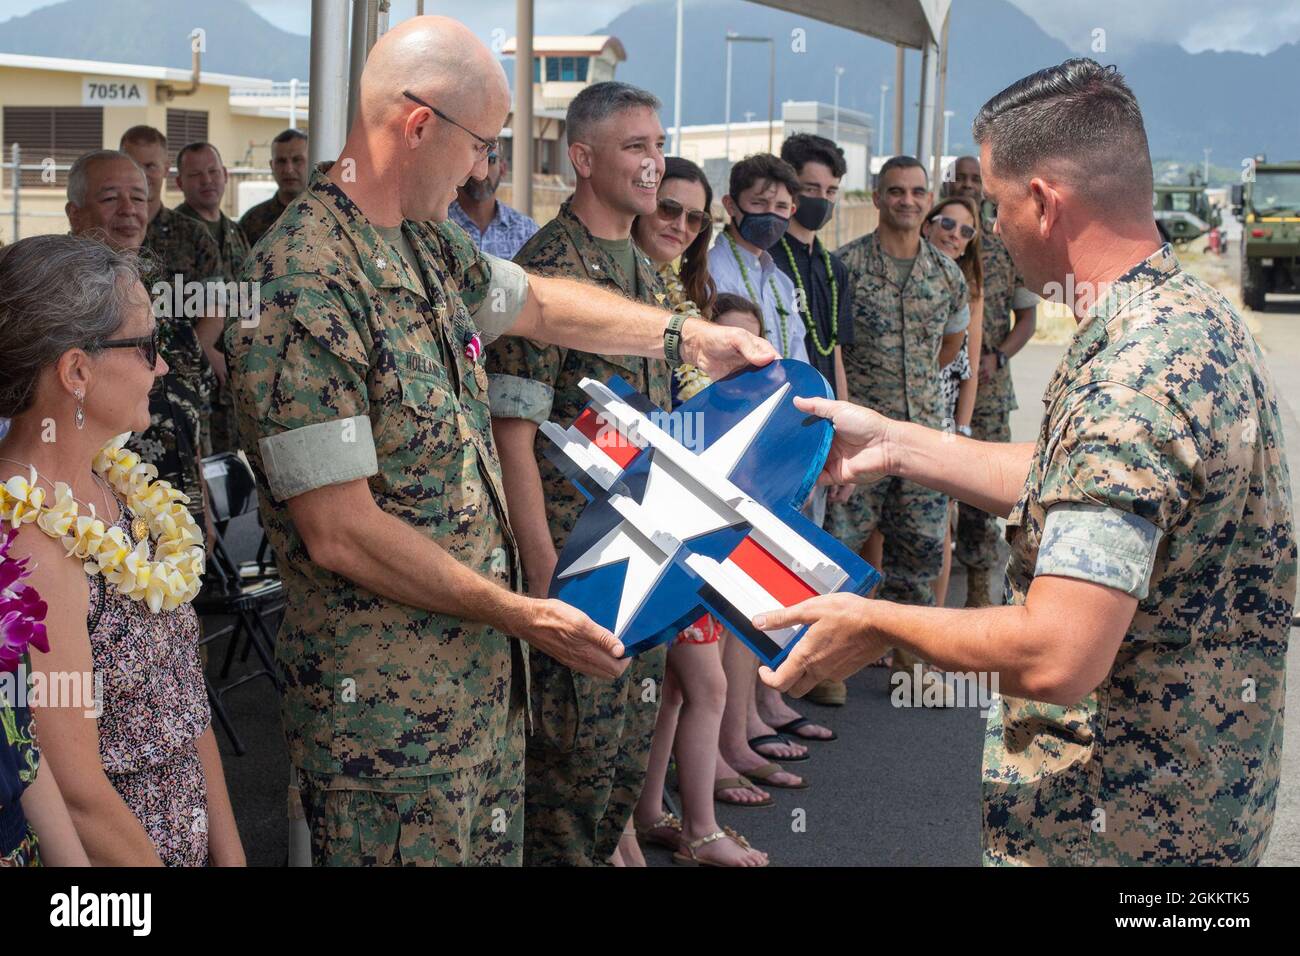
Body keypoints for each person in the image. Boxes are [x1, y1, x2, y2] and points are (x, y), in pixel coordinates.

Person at [225, 17, 774, 868]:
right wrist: (524, 612)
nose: (485, 168)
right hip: (388, 729)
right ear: (418, 127)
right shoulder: (304, 279)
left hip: (479, 691)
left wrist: (688, 337)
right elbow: (339, 529)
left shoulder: (422, 240)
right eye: (482, 144)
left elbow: (542, 305)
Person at [757, 59, 1295, 866]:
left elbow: (1057, 655)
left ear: (1043, 204)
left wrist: (874, 623)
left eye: (997, 205)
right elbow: (1079, 483)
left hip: (1121, 826)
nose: (991, 227)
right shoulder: (1180, 315)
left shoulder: (1134, 374)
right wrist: (897, 444)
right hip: (1193, 804)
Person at [0, 234, 245, 866]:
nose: (162, 367)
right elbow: (76, 793)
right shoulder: (30, 543)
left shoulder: (120, 489)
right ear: (76, 370)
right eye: (147, 346)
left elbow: (186, 705)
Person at [487, 81, 674, 868]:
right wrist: (541, 571)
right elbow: (512, 432)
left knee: (620, 767)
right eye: (636, 147)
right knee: (568, 783)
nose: (654, 164)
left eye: (658, 145)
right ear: (583, 159)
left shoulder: (641, 265)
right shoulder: (548, 272)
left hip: (645, 554)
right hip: (577, 563)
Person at [625, 160, 767, 866]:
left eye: (693, 217)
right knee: (693, 684)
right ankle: (699, 833)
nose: (679, 225)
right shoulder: (620, 290)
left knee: (681, 690)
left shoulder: (688, 295)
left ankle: (655, 812)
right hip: (642, 522)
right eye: (669, 209)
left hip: (691, 517)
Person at [829, 155, 968, 686]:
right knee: (840, 552)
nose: (906, 201)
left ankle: (910, 666)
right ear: (877, 197)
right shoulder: (846, 268)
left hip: (924, 441)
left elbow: (949, 347)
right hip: (860, 440)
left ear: (929, 200)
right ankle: (831, 667)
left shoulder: (946, 273)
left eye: (916, 192)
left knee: (921, 554)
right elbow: (834, 350)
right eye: (895, 191)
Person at [66, 149, 212, 544]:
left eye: (140, 197)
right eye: (111, 197)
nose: (129, 210)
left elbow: (191, 407)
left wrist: (201, 504)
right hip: (94, 525)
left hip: (176, 517)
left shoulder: (159, 297)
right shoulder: (58, 304)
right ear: (74, 213)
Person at [773, 132, 856, 710]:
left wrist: (844, 427)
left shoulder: (832, 266)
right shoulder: (767, 257)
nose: (819, 201)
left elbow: (836, 352)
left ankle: (807, 661)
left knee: (813, 541)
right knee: (771, 547)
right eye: (809, 189)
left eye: (830, 191)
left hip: (822, 420)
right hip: (778, 424)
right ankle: (771, 669)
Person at [945, 155, 1040, 607]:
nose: (965, 185)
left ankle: (981, 585)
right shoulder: (935, 239)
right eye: (957, 178)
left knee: (984, 486)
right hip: (935, 386)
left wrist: (998, 357)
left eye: (971, 179)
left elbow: (1027, 319)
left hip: (987, 388)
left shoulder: (1002, 246)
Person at [920, 196, 983, 608]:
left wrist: (961, 431)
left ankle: (932, 622)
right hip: (896, 412)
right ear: (928, 224)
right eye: (948, 223)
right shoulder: (905, 276)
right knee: (878, 529)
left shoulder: (971, 291)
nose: (955, 235)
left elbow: (970, 371)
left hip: (941, 421)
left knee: (938, 527)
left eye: (966, 230)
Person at [174, 141, 250, 455]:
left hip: (235, 383)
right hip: (194, 380)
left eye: (212, 171)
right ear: (179, 183)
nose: (207, 180)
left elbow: (249, 301)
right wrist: (204, 347)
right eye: (195, 175)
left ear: (226, 175)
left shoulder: (235, 232)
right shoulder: (173, 233)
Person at [708, 153, 810, 363]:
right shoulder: (709, 272)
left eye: (781, 207)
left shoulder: (784, 283)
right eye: (759, 203)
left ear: (792, 211)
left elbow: (798, 353)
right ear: (730, 205)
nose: (770, 214)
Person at [449, 146, 539, 259]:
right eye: (472, 159)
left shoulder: (527, 232)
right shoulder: (437, 223)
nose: (481, 172)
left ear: (503, 168)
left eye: (490, 160)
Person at [239, 128, 309, 248]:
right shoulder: (251, 222)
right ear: (272, 166)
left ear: (311, 161)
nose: (288, 169)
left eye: (297, 160)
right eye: (281, 161)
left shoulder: (327, 216)